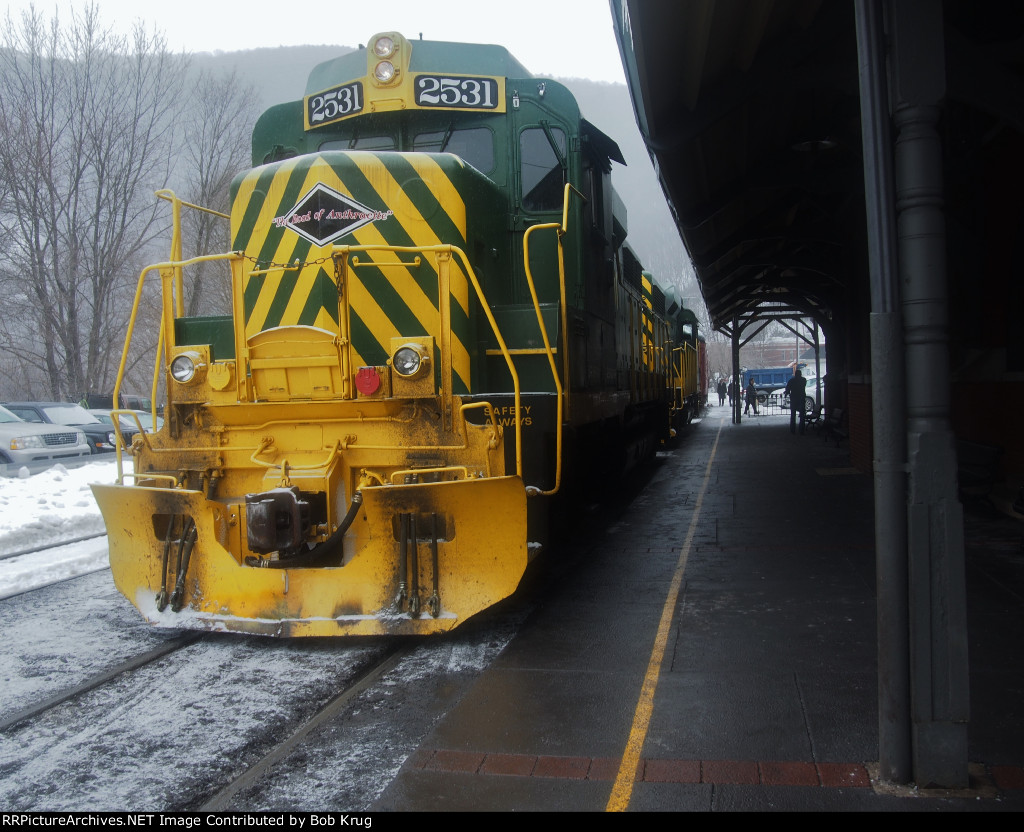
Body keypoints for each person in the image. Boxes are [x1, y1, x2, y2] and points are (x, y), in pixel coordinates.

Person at [784, 369, 807, 434]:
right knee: (802, 415)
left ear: (795, 374)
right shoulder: (803, 380)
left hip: (794, 399)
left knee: (793, 415)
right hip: (801, 398)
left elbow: (788, 389)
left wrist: (786, 392)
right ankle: (801, 430)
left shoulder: (791, 381)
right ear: (800, 374)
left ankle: (792, 430)